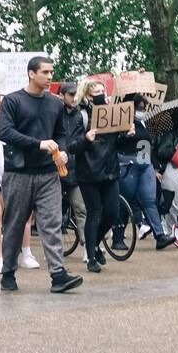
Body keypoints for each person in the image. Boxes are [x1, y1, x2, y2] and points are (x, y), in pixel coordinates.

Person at [0, 56, 83, 293]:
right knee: (14, 224)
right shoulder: (13, 101)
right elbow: (3, 132)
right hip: (19, 173)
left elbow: (61, 133)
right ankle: (8, 272)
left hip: (48, 174)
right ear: (31, 74)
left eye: (52, 72)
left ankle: (58, 275)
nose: (50, 76)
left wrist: (63, 151)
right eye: (45, 72)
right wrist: (37, 143)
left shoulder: (55, 104)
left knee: (52, 224)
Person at [71, 79, 125, 273]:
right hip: (89, 173)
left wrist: (128, 134)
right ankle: (91, 256)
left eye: (104, 91)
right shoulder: (81, 116)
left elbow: (120, 144)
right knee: (94, 213)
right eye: (97, 92)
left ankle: (93, 243)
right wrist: (86, 139)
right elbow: (72, 146)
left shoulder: (113, 115)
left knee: (112, 213)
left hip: (110, 171)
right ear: (87, 96)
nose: (103, 95)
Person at [115, 93, 177, 251]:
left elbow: (153, 142)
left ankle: (159, 235)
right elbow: (116, 141)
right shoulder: (122, 120)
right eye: (140, 106)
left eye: (145, 106)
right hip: (127, 161)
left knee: (149, 200)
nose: (143, 109)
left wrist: (154, 166)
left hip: (144, 161)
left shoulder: (146, 121)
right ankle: (117, 237)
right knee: (126, 200)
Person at [57, 82, 88, 253]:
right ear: (61, 96)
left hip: (74, 170)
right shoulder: (54, 113)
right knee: (54, 214)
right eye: (70, 94)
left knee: (81, 208)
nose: (74, 98)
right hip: (56, 170)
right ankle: (53, 249)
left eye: (75, 94)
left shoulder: (81, 115)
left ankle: (87, 246)